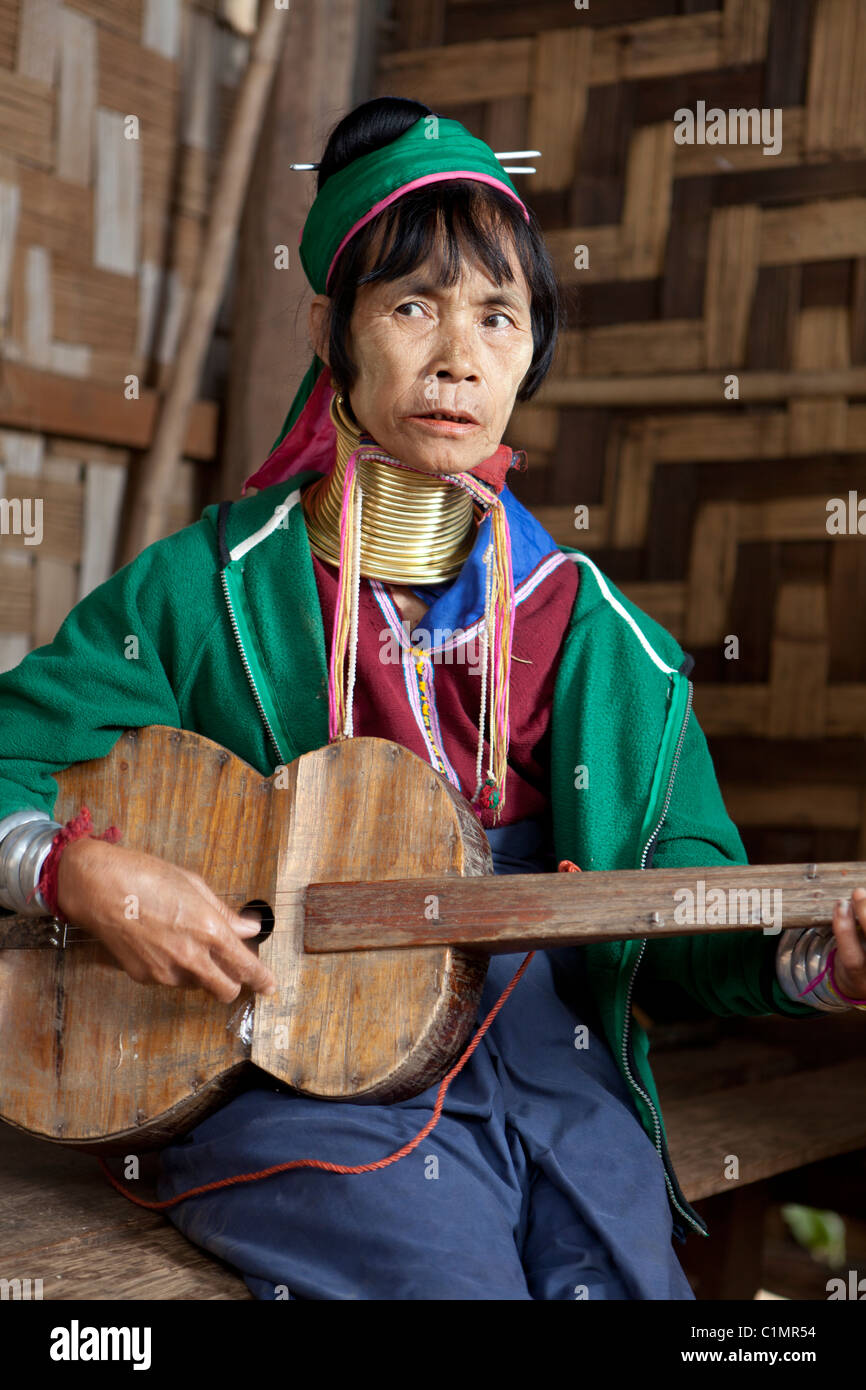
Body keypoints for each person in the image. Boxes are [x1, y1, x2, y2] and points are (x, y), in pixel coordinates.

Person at [1, 97, 864, 1302]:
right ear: (331, 328)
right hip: (288, 1073)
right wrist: (74, 871)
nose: (458, 354)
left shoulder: (598, 640)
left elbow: (685, 935)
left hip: (546, 1070)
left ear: (530, 353)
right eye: (412, 305)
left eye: (497, 318)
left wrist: (817, 970)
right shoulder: (208, 589)